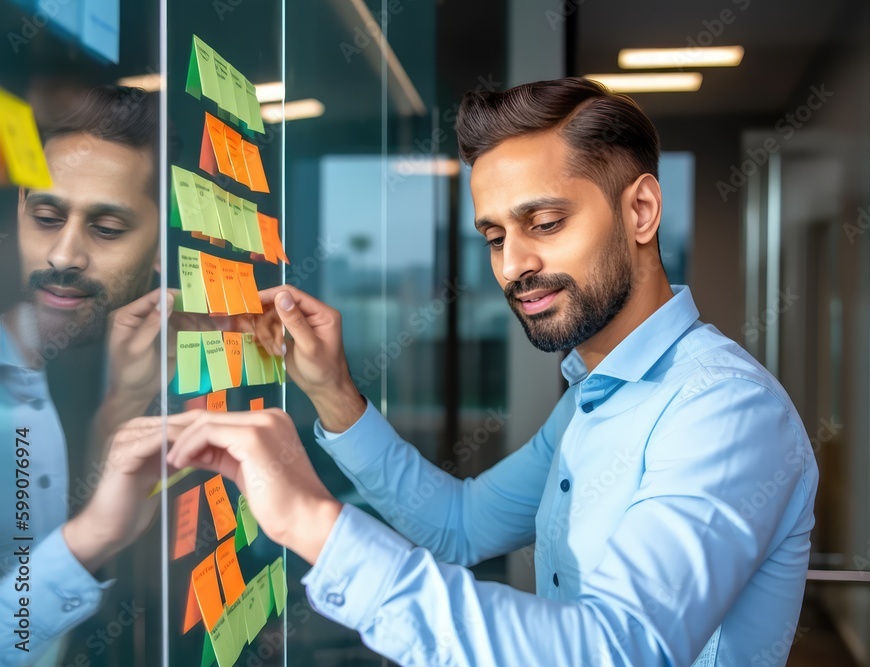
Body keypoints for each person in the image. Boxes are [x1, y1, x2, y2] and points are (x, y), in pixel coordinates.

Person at [164, 77, 819, 666]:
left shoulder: (724, 410)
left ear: (641, 211)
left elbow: (621, 650)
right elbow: (462, 524)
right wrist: (332, 390)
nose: (512, 266)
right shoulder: (594, 397)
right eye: (496, 236)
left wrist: (309, 520)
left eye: (546, 222)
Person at [0, 86, 175, 665]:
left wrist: (123, 407)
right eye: (45, 217)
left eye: (106, 229)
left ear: (160, 248)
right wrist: (91, 538)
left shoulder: (136, 363)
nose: (63, 256)